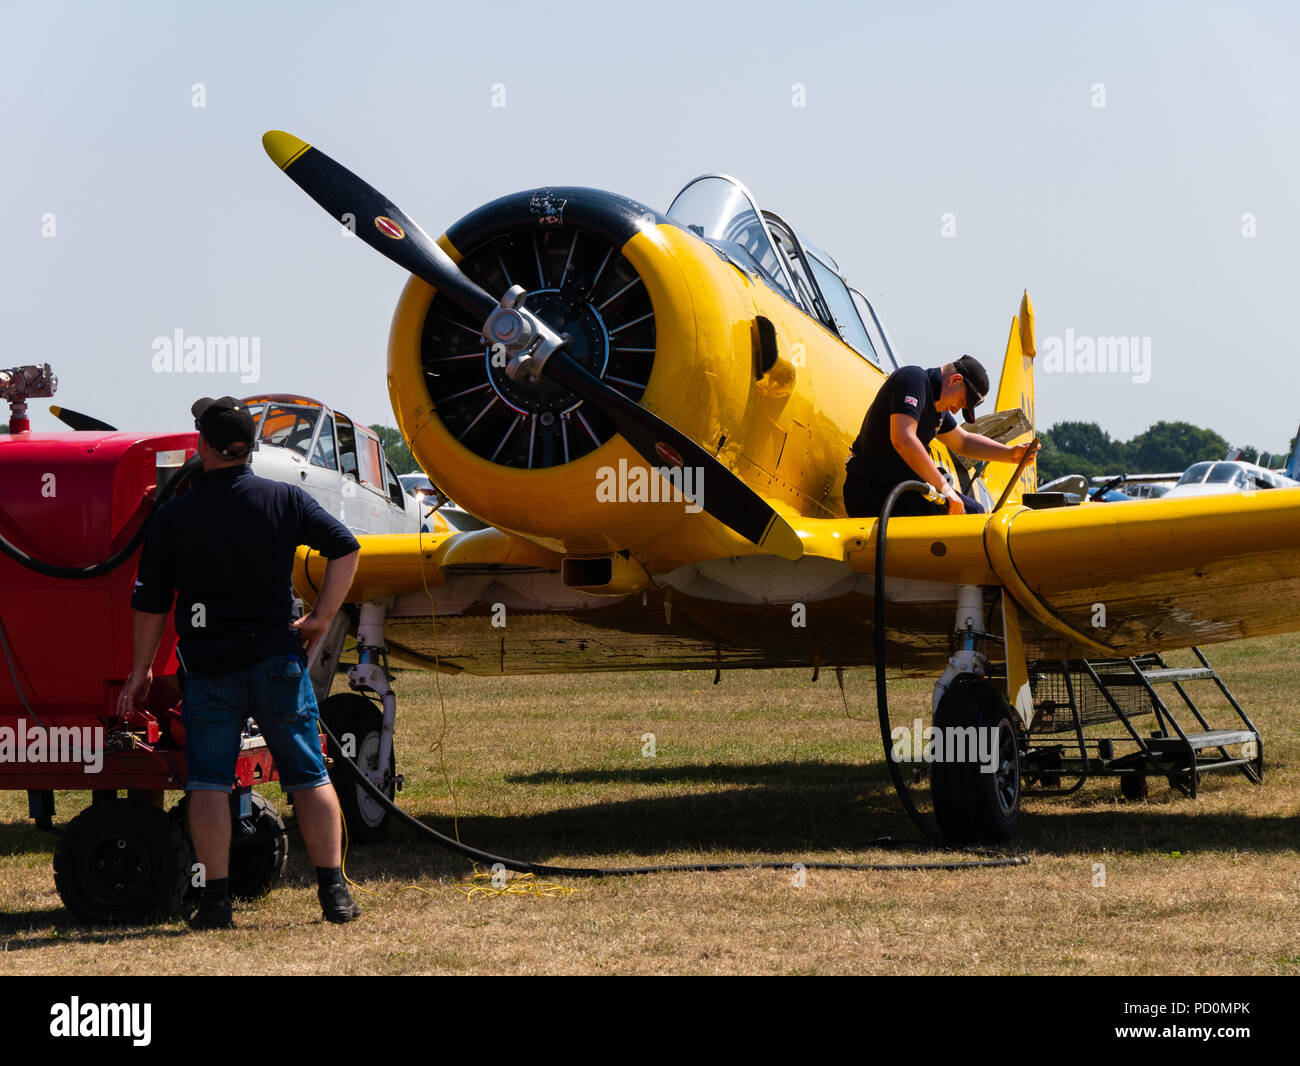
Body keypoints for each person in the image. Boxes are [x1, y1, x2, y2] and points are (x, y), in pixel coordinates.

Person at [119, 396, 362, 929]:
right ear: (249, 447)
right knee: (308, 773)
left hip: (208, 669)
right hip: (277, 662)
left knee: (208, 782)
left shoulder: (173, 515)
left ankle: (216, 902)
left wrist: (140, 670)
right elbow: (345, 547)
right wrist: (321, 617)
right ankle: (334, 895)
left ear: (203, 446)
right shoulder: (283, 499)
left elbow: (151, 602)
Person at [843, 354, 1038, 517]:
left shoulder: (938, 411)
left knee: (975, 512)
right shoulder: (913, 379)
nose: (954, 411)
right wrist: (944, 488)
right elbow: (903, 438)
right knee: (969, 517)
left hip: (900, 492)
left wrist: (1010, 454)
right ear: (955, 380)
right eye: (960, 402)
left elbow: (964, 442)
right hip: (874, 490)